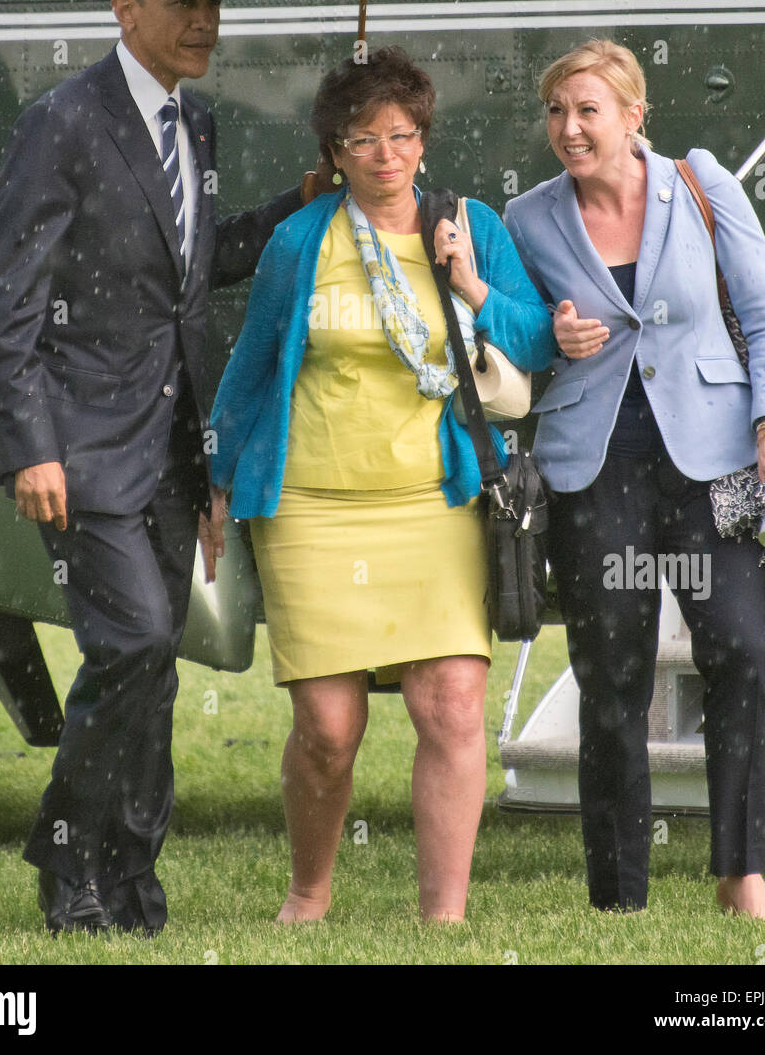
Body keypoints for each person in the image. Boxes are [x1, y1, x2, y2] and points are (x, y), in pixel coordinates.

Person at [0, 0, 306, 935]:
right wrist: (29, 442)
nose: (206, 21)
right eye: (184, 3)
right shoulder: (60, 124)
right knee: (136, 642)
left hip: (170, 449)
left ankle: (128, 880)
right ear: (125, 11)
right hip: (77, 446)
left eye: (214, 1)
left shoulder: (193, 124)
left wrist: (303, 197)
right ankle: (68, 859)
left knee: (153, 666)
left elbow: (195, 276)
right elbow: (7, 298)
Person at [208, 46, 554, 923]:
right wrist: (216, 479)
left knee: (451, 705)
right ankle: (307, 892)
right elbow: (251, 369)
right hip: (312, 508)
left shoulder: (467, 224)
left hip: (433, 503)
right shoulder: (299, 241)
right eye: (362, 139)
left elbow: (536, 339)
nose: (385, 154)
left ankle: (444, 916)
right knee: (329, 730)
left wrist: (467, 280)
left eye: (401, 135)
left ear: (424, 142)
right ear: (334, 151)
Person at [504, 38, 765, 919]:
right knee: (611, 676)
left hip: (713, 464)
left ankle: (740, 872)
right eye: (557, 111)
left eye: (588, 110)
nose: (569, 128)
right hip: (593, 471)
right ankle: (618, 896)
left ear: (635, 116)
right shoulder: (528, 219)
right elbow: (516, 344)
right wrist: (548, 338)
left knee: (744, 652)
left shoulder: (701, 182)